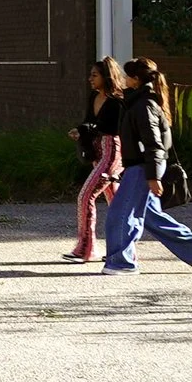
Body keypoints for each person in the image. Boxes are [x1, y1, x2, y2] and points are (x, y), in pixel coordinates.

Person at [102, 57, 192, 273]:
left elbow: (154, 144)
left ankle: (122, 262)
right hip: (142, 166)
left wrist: (153, 177)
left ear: (135, 80)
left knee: (120, 215)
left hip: (143, 167)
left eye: (126, 76)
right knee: (151, 216)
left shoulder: (144, 106)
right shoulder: (139, 102)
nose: (123, 79)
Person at [65, 58, 126, 262]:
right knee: (117, 202)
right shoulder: (94, 96)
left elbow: (110, 128)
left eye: (94, 75)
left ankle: (86, 248)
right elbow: (89, 122)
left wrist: (86, 129)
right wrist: (79, 130)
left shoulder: (117, 101)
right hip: (96, 151)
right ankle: (123, 249)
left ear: (106, 76)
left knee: (85, 195)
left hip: (111, 151)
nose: (90, 78)